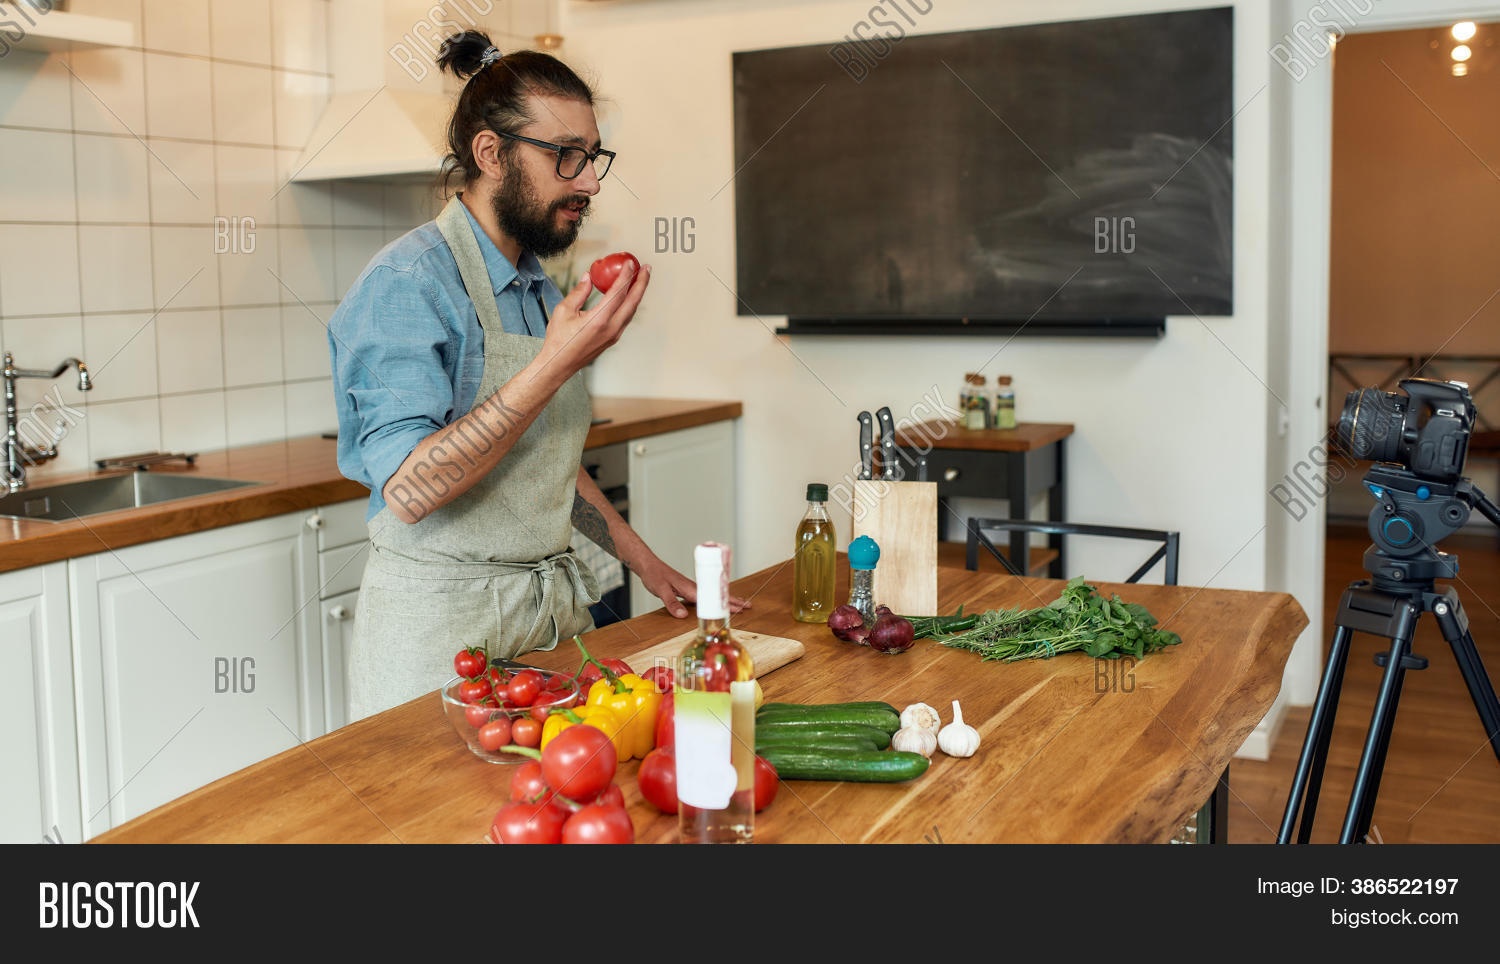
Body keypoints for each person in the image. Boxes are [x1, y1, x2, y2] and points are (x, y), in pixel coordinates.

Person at [327, 31, 747, 721]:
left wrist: (647, 564)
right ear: (491, 154)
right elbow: (410, 487)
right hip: (439, 641)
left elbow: (545, 462)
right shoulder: (407, 284)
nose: (590, 181)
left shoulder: (537, 289)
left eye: (593, 156)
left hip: (548, 628)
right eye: (566, 157)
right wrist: (556, 364)